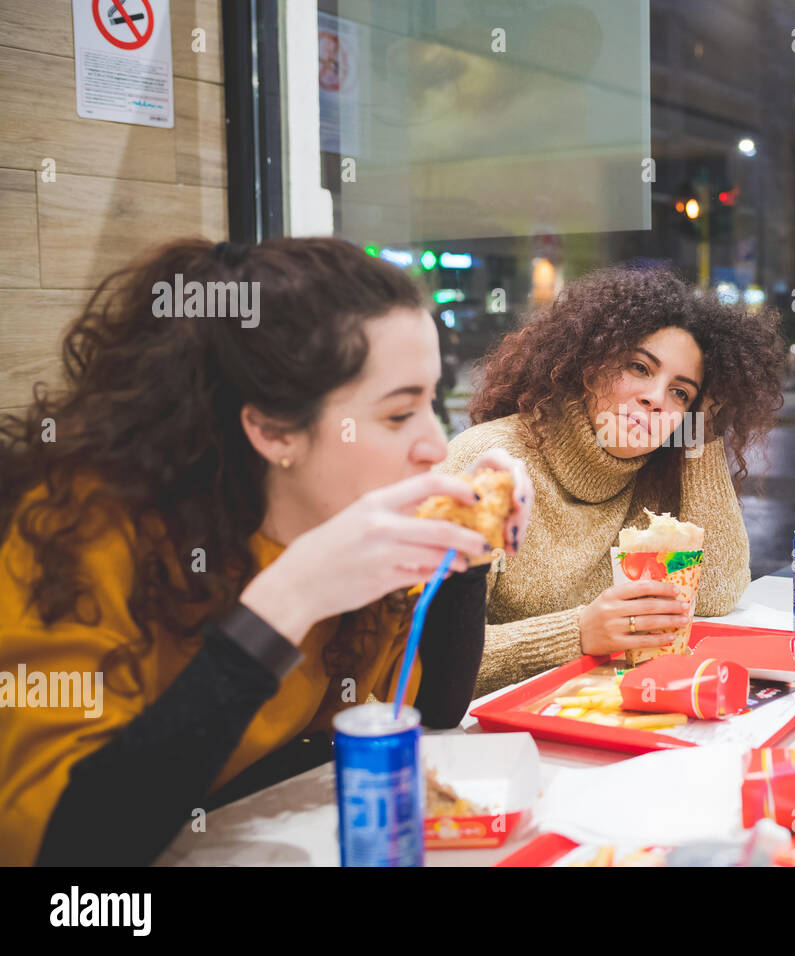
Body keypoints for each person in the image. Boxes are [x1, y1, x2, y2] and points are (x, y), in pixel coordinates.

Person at [0, 237, 532, 865]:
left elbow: (432, 712)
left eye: (431, 403)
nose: (436, 447)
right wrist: (287, 600)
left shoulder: (342, 516)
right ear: (274, 429)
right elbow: (63, 850)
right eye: (398, 415)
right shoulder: (83, 528)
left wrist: (466, 553)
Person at [436, 267, 787, 695]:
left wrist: (702, 433)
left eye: (681, 393)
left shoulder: (660, 475)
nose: (655, 398)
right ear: (589, 362)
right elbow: (417, 659)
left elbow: (715, 594)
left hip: (596, 716)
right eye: (639, 367)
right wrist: (578, 633)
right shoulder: (489, 464)